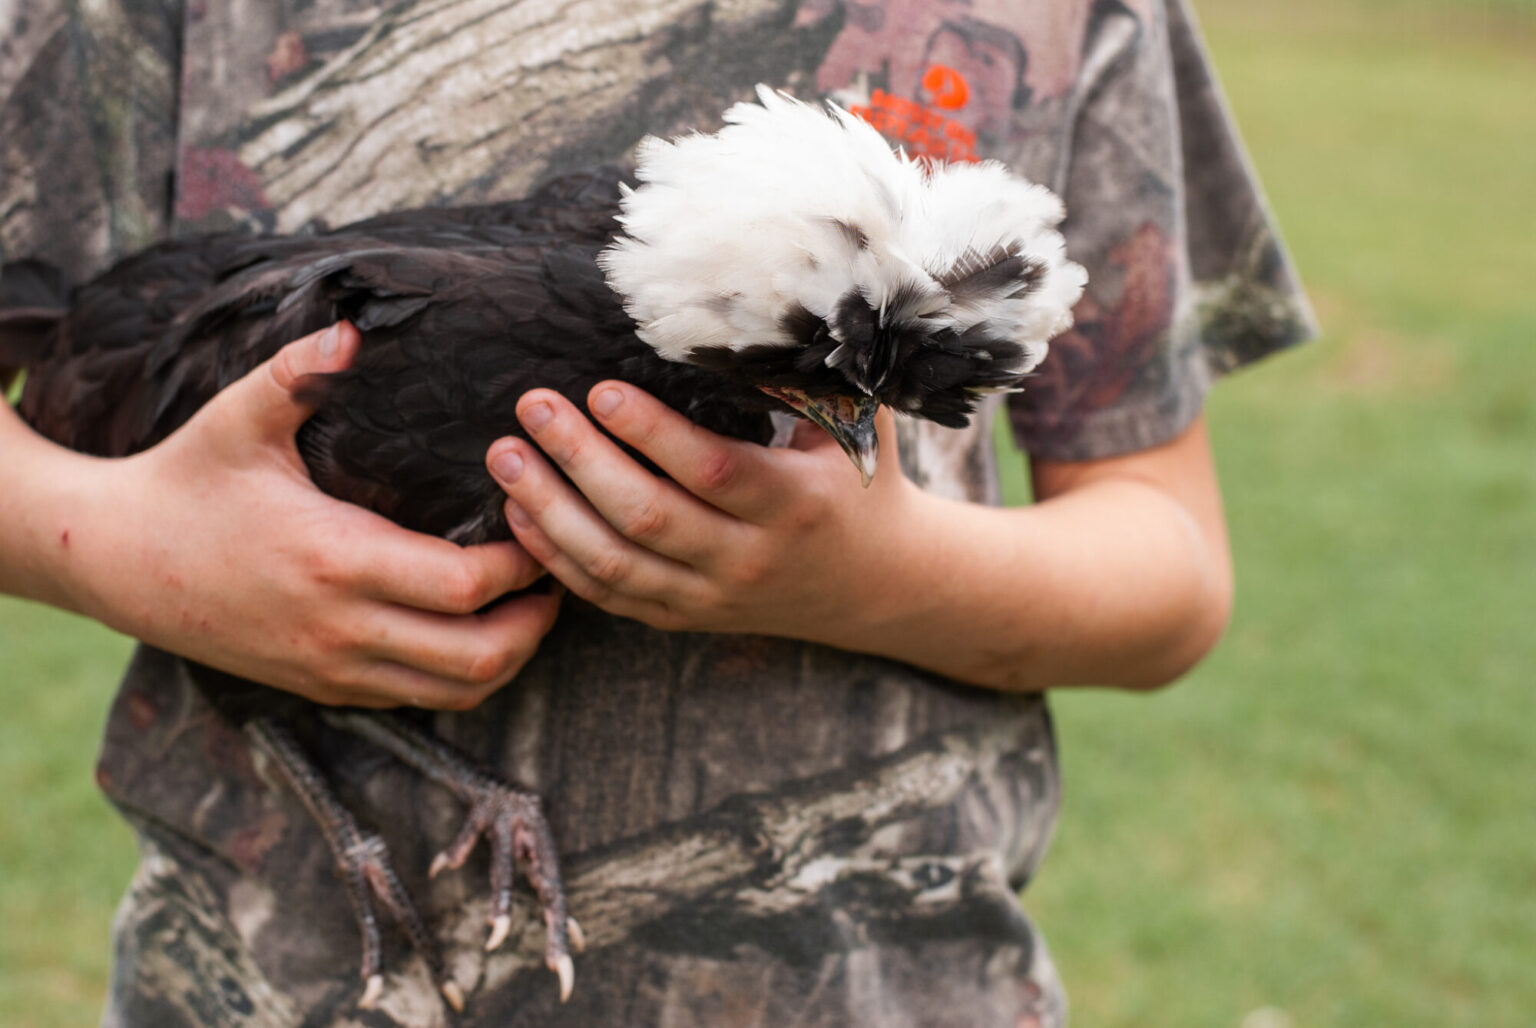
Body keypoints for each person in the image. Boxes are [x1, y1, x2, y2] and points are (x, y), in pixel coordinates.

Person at [0, 0, 1313, 1025]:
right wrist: (121, 539)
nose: (845, 435)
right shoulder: (435, 346)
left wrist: (878, 574)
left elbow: (1171, 568)